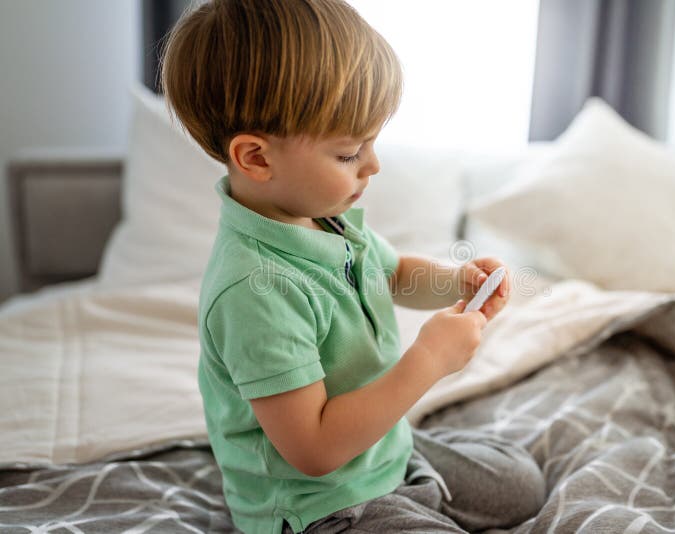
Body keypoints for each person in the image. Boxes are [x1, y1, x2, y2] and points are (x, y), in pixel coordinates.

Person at [160, 1, 545, 532]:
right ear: (256, 158)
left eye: (372, 143)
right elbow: (315, 450)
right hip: (324, 504)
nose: (373, 165)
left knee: (520, 482)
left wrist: (458, 281)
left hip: (384, 450)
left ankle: (413, 488)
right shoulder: (254, 289)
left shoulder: (324, 219)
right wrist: (429, 359)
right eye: (348, 154)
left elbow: (392, 273)